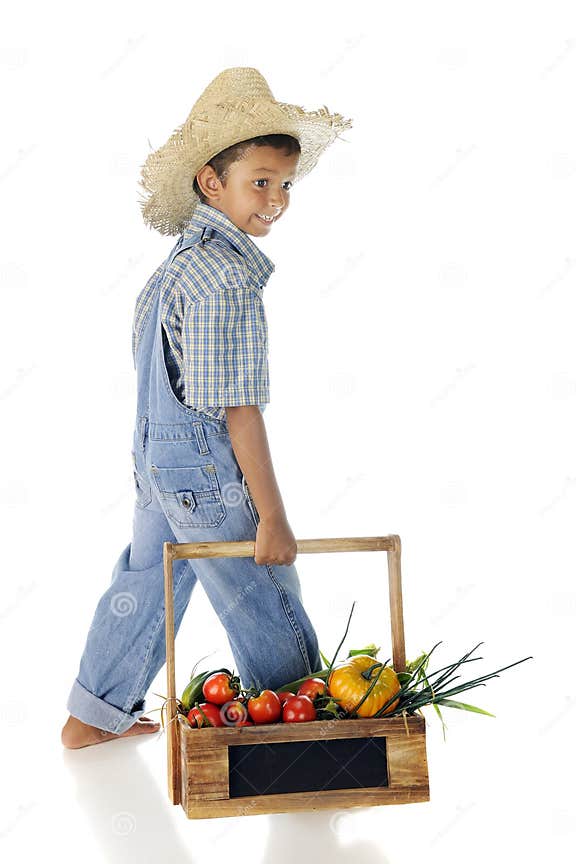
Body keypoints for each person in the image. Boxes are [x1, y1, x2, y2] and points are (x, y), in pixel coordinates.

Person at [61, 67, 352, 748]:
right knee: (260, 589)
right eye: (260, 181)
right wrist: (273, 517)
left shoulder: (177, 268)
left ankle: (92, 716)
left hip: (157, 462)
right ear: (209, 182)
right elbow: (237, 411)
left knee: (147, 579)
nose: (276, 199)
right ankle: (304, 737)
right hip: (203, 465)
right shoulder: (225, 279)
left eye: (285, 184)